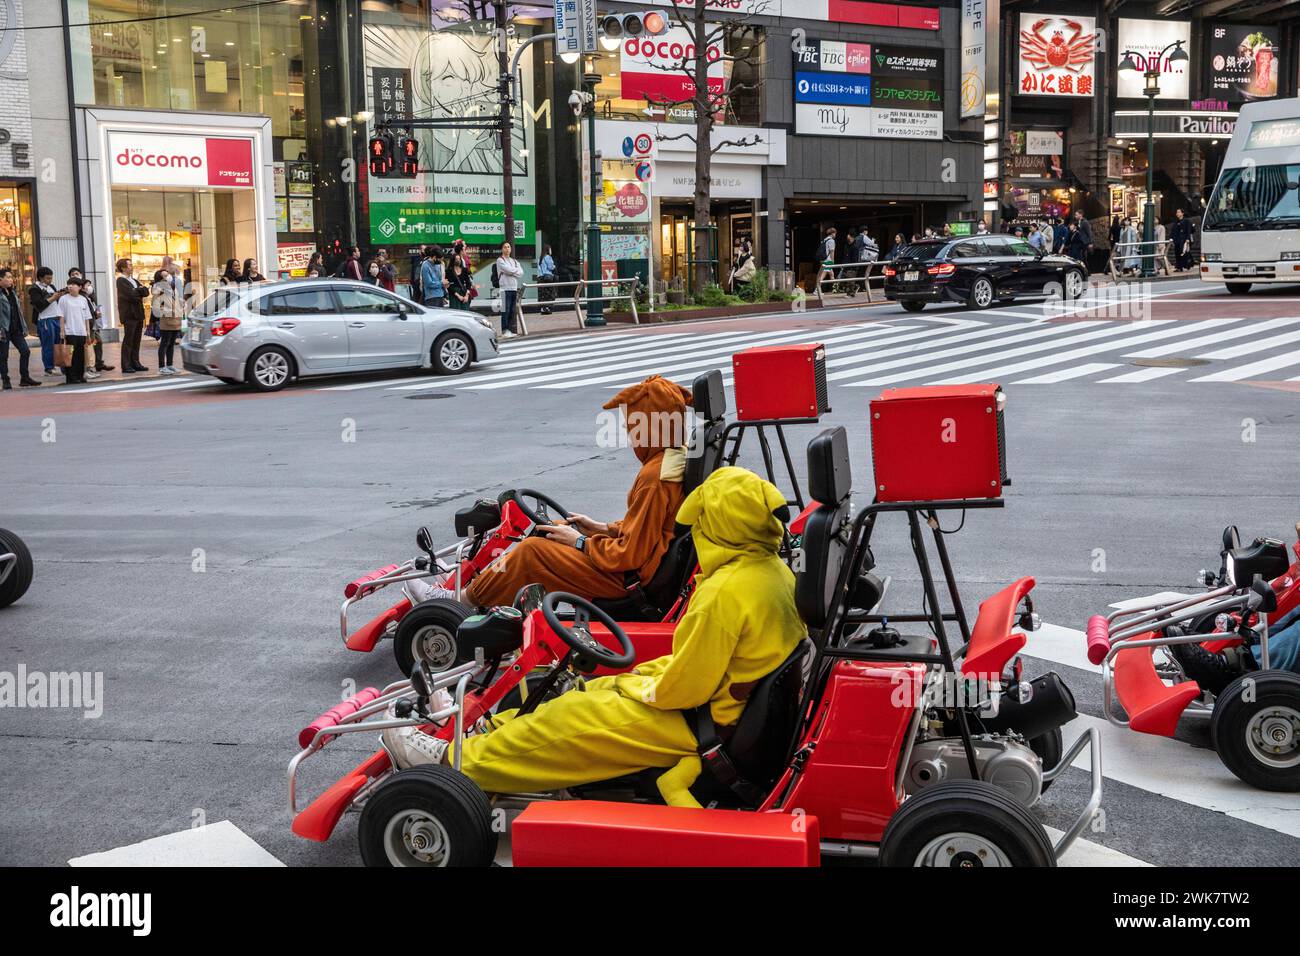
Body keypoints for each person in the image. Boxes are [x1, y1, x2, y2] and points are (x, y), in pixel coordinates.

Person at [383, 465, 805, 806]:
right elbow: (701, 666)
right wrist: (635, 681)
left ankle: (454, 761)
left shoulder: (724, 592)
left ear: (718, 522)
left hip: (706, 721)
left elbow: (685, 687)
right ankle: (489, 733)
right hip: (723, 711)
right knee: (584, 694)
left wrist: (638, 687)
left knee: (571, 721)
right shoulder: (773, 573)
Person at [409, 375, 693, 612]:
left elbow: (630, 554)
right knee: (551, 530)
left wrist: (581, 542)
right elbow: (647, 531)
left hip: (628, 580)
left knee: (533, 552)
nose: (629, 432)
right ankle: (480, 587)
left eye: (632, 425)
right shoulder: (671, 460)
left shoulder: (654, 478)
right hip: (639, 570)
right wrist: (600, 528)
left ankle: (460, 602)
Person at [0, 267, 38, 388]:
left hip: (16, 329)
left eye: (12, 277)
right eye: (9, 277)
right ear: (1, 279)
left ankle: (24, 378)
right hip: (3, 330)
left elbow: (17, 311)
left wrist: (23, 327)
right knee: (3, 356)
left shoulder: (12, 292)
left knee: (25, 351)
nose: (11, 280)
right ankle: (6, 379)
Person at [68, 268, 109, 378]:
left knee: (93, 344)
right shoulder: (74, 297)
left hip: (90, 324)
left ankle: (94, 365)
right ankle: (87, 369)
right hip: (81, 326)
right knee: (86, 347)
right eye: (73, 274)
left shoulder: (86, 296)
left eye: (77, 273)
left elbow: (91, 308)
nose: (88, 287)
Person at [55, 276, 93, 385]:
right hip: (69, 331)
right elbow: (61, 316)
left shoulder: (83, 299)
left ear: (80, 287)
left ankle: (80, 376)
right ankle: (70, 377)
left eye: (73, 285)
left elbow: (86, 317)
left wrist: (88, 332)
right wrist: (62, 331)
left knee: (80, 355)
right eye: (69, 284)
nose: (70, 286)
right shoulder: (64, 299)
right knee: (70, 356)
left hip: (81, 331)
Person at [114, 258, 149, 374]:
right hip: (129, 314)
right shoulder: (121, 280)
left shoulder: (134, 280)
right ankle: (126, 365)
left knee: (137, 340)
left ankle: (136, 362)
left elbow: (146, 292)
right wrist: (138, 291)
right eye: (129, 265)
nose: (132, 267)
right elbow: (131, 295)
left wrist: (138, 290)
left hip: (138, 313)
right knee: (128, 340)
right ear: (123, 267)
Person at [150, 269, 183, 374]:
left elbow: (177, 300)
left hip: (176, 317)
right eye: (164, 276)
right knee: (165, 342)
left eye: (168, 275)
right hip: (166, 318)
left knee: (171, 343)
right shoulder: (158, 288)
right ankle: (161, 367)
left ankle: (170, 364)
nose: (168, 277)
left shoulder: (173, 287)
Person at [495, 241, 523, 339]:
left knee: (512, 310)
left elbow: (521, 273)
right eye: (505, 247)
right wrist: (514, 271)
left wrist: (512, 272)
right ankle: (504, 330)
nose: (507, 249)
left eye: (508, 247)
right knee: (505, 310)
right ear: (502, 249)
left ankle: (510, 330)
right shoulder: (500, 260)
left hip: (514, 288)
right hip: (504, 288)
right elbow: (508, 270)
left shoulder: (514, 261)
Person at [816, 227, 836, 292]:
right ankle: (816, 290)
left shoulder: (824, 240)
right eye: (835, 233)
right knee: (822, 275)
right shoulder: (831, 241)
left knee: (831, 274)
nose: (835, 235)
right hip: (828, 260)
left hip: (823, 259)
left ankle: (835, 289)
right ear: (832, 233)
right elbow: (832, 251)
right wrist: (832, 260)